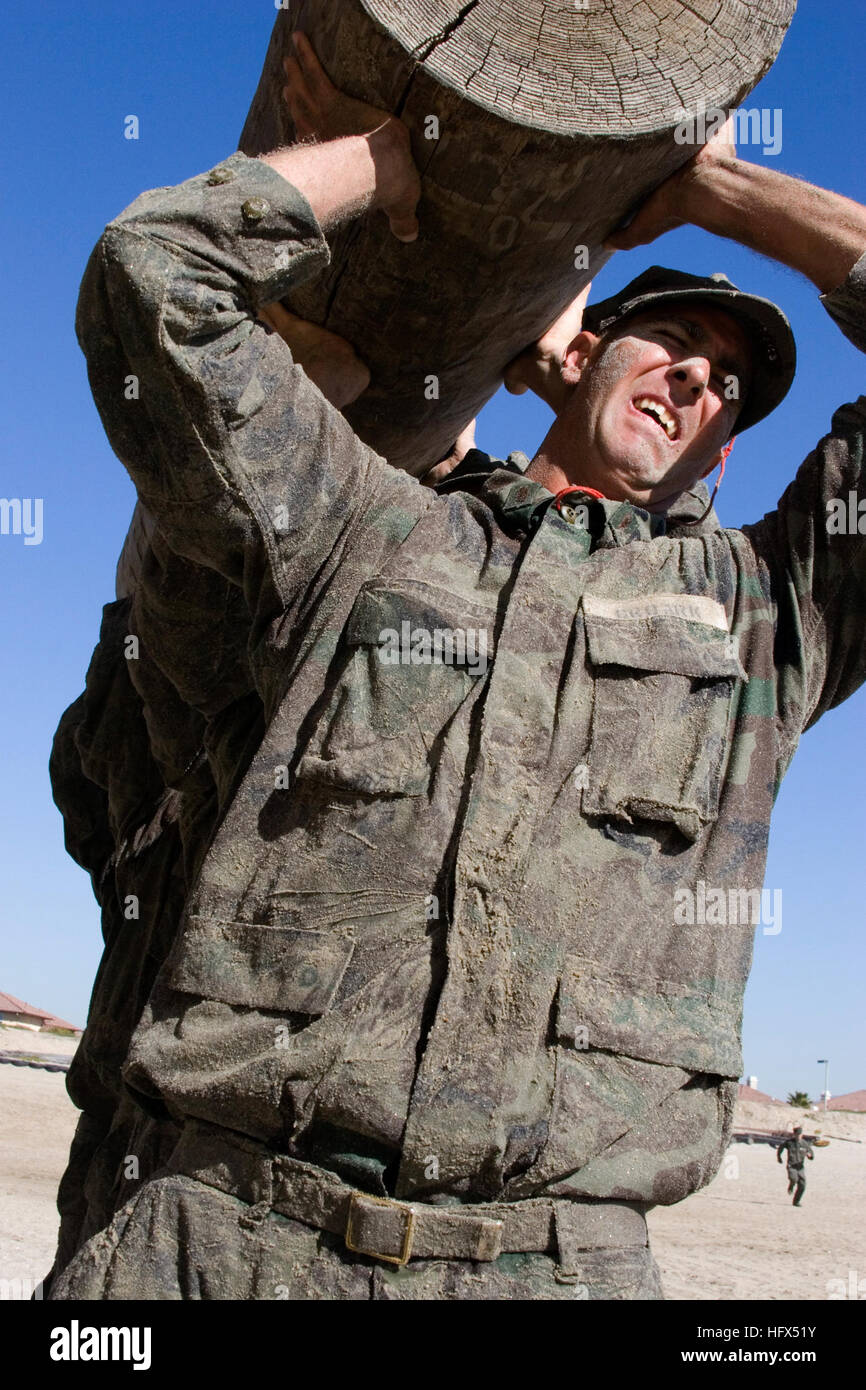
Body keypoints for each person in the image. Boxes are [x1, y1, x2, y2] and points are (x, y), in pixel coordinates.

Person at [48, 33, 866, 1300]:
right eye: (670, 345)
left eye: (728, 393)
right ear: (577, 353)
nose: (698, 380)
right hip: (217, 1236)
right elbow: (154, 282)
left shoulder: (762, 618)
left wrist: (712, 188)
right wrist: (377, 162)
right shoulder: (373, 527)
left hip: (555, 1270)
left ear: (717, 459)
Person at [777, 1125, 814, 1206]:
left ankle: (796, 1201)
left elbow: (811, 1153)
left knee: (802, 1185)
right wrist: (779, 1157)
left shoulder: (804, 1144)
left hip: (800, 1167)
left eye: (800, 1134)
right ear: (794, 1134)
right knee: (794, 1179)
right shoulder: (790, 1142)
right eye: (797, 1134)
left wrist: (810, 1156)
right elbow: (780, 1148)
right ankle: (791, 1185)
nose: (798, 1136)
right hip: (791, 1165)